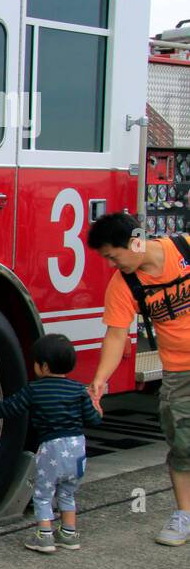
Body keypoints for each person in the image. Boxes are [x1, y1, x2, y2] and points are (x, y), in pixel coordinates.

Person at [85, 212, 190, 546]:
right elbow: (116, 336)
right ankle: (184, 516)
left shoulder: (186, 249)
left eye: (113, 256)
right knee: (182, 444)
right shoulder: (124, 284)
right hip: (178, 371)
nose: (112, 265)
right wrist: (101, 378)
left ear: (134, 242)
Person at [0, 334, 101, 553]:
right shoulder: (78, 390)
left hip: (51, 449)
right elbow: (93, 419)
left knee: (43, 495)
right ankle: (69, 534)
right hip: (77, 448)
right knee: (67, 493)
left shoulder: (34, 390)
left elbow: (9, 407)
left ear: (43, 366)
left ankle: (44, 537)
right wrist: (97, 406)